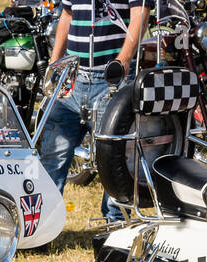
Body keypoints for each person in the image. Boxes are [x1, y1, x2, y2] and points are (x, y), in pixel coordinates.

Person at [39, 0, 147, 224]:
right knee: (53, 154)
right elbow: (67, 15)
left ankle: (116, 223)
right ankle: (43, 225)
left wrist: (123, 60)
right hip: (72, 77)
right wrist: (54, 62)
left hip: (111, 79)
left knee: (114, 157)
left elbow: (140, 15)